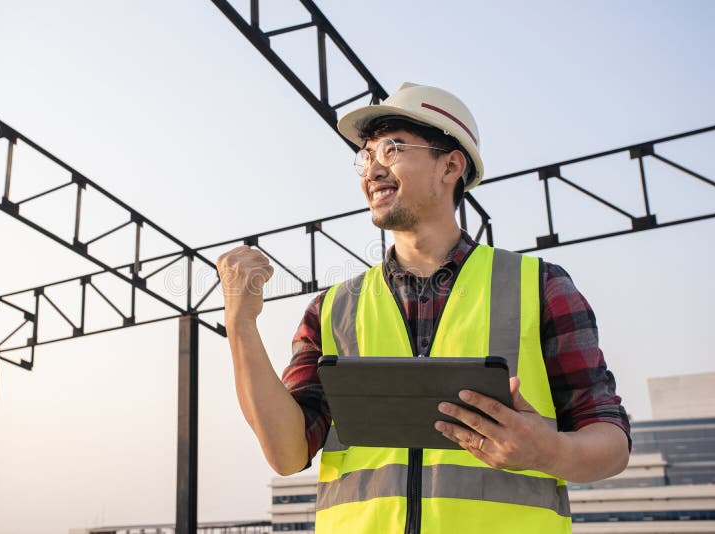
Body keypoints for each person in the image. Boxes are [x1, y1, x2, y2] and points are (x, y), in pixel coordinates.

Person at [216, 83, 630, 534]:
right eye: (366, 154)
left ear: (451, 164)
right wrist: (241, 325)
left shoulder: (539, 286)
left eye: (391, 148)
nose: (372, 168)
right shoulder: (333, 309)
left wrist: (545, 450)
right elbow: (286, 452)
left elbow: (610, 441)